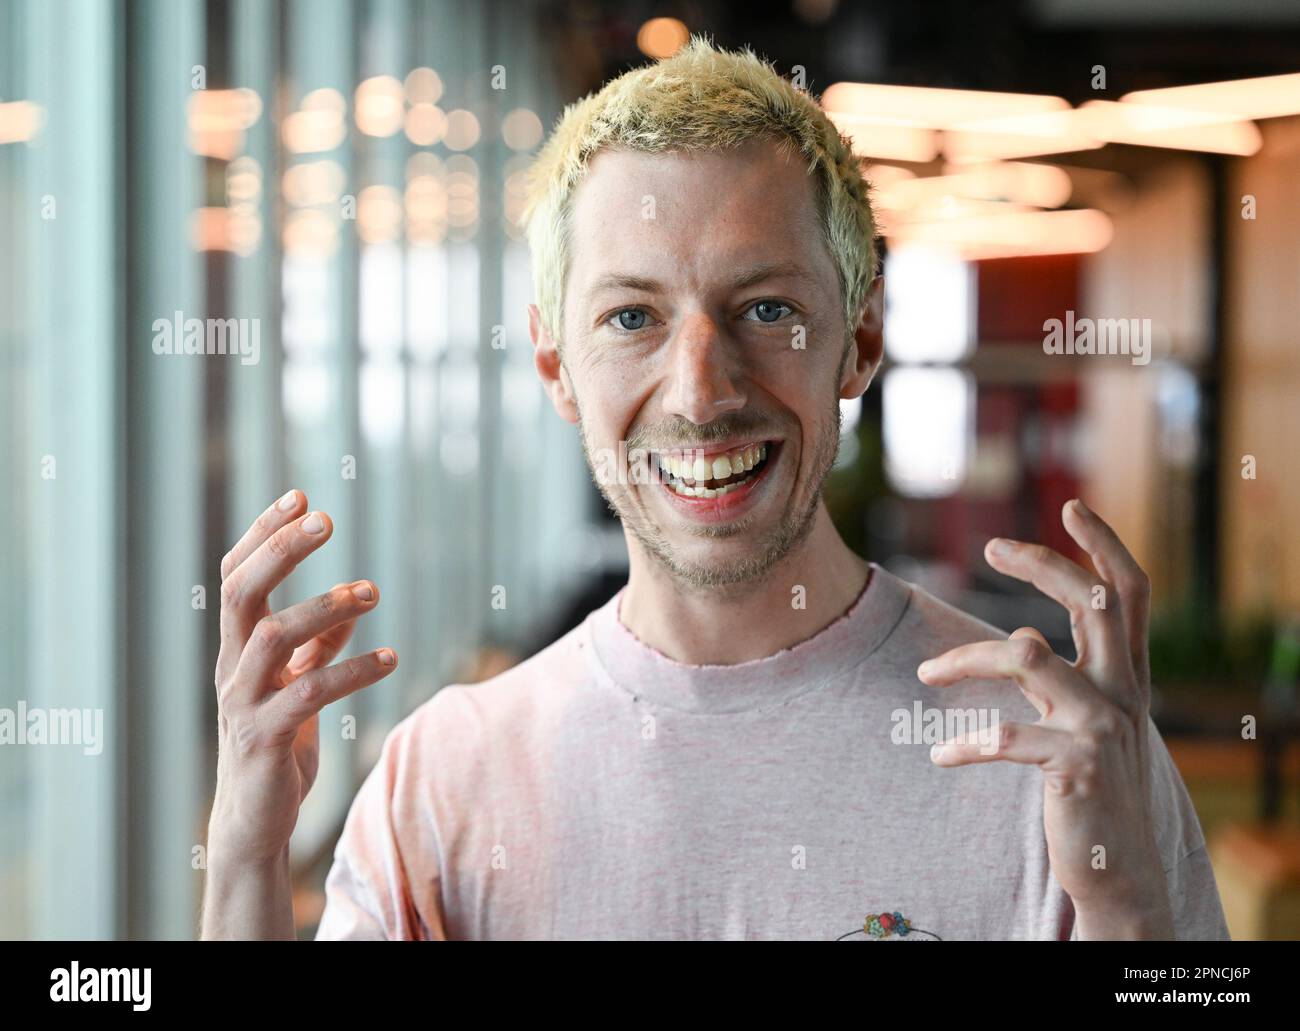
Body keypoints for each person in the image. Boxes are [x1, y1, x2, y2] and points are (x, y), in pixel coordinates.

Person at [200, 37, 1229, 941]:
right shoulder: (444, 776)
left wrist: (1130, 913)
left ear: (859, 341)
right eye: (632, 317)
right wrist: (244, 859)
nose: (701, 392)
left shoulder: (1060, 751)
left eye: (766, 307)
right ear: (556, 368)